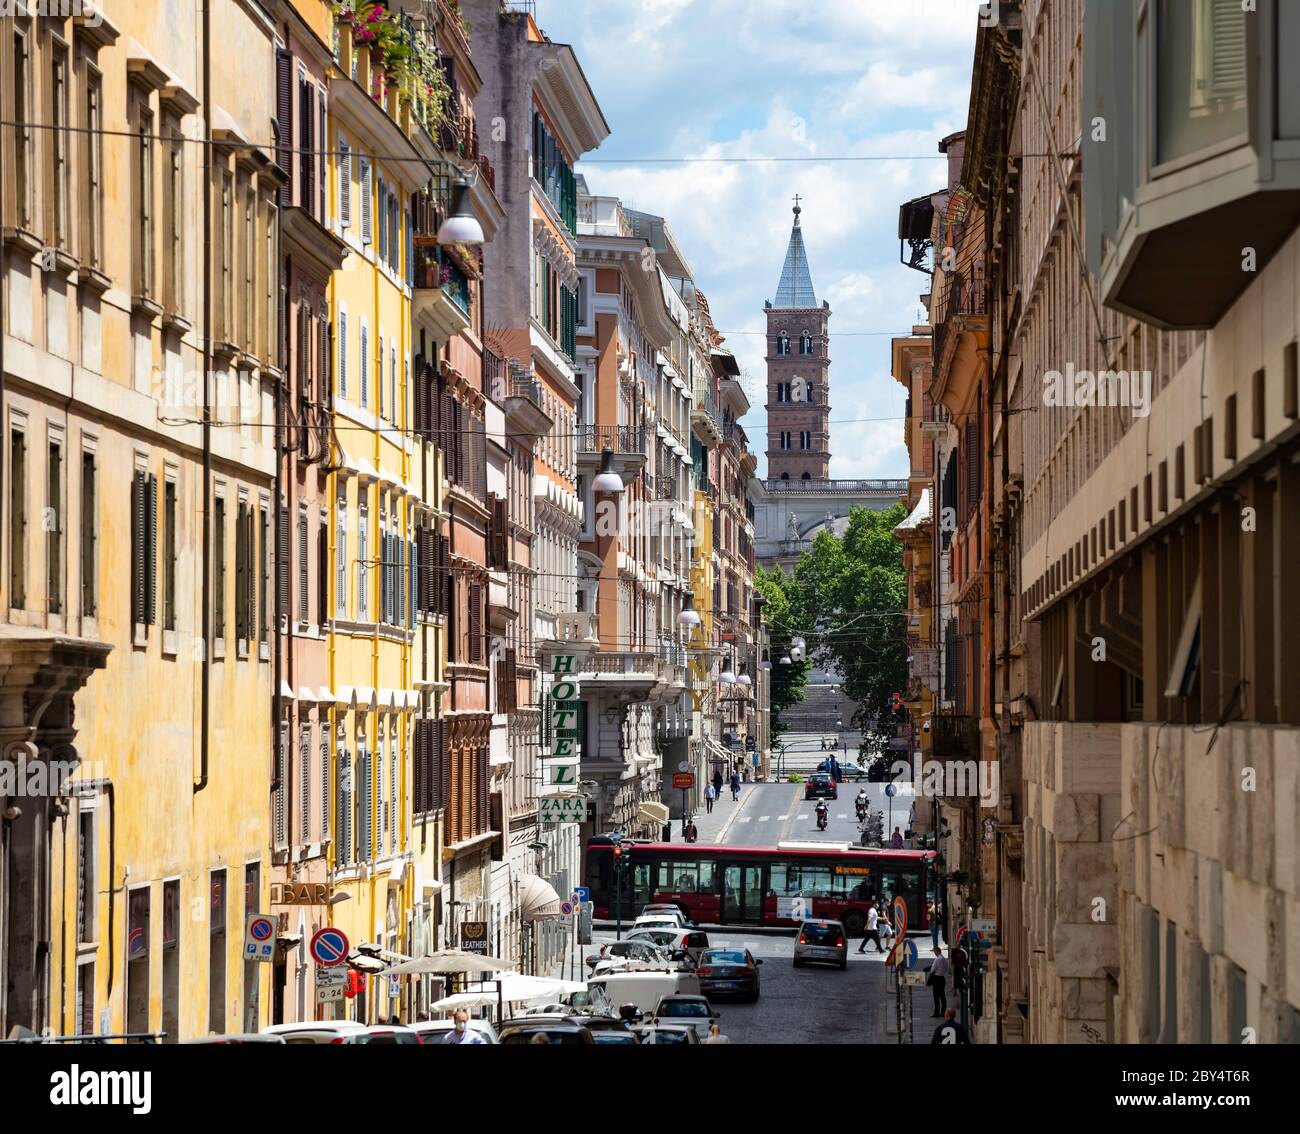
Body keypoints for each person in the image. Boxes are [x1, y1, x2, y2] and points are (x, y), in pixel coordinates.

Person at [928, 947, 950, 1017]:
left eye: (934, 952)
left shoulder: (937, 959)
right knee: (942, 996)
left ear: (937, 952)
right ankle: (943, 1012)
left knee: (936, 996)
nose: (934, 953)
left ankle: (936, 1012)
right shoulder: (944, 959)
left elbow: (932, 969)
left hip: (937, 979)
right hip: (942, 978)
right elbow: (947, 968)